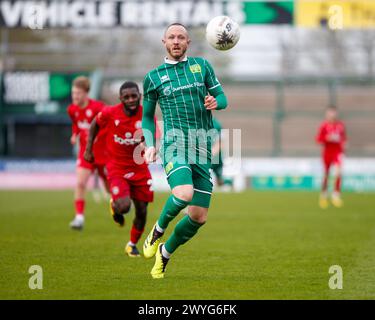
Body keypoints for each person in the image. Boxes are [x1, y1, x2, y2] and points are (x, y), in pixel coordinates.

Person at [142, 23, 228, 279]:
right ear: (164, 41)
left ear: (188, 42)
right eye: (171, 37)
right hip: (174, 144)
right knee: (183, 193)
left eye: (181, 37)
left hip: (202, 148)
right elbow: (147, 117)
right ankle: (157, 230)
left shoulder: (202, 67)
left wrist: (216, 102)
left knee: (198, 217)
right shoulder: (153, 77)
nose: (176, 41)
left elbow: (222, 98)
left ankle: (164, 254)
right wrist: (149, 144)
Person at [84, 81, 154, 257]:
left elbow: (150, 138)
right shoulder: (110, 112)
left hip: (139, 167)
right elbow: (94, 124)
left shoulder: (147, 114)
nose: (131, 100)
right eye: (126, 97)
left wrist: (150, 149)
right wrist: (88, 148)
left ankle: (132, 244)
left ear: (140, 96)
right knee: (124, 207)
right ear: (120, 99)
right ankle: (115, 206)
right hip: (116, 166)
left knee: (142, 210)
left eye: (134, 96)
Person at [67, 76, 109, 230]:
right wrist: (74, 134)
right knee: (80, 183)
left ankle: (120, 204)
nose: (75, 97)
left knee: (108, 185)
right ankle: (79, 218)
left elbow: (110, 121)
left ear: (86, 93)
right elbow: (76, 124)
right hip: (86, 154)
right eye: (73, 93)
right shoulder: (72, 109)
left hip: (104, 153)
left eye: (78, 93)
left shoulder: (99, 108)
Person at [316, 106, 347, 209]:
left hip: (337, 152)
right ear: (327, 114)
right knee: (326, 174)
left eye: (333, 113)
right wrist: (327, 138)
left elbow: (344, 138)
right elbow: (318, 139)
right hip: (327, 152)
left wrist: (344, 145)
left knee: (338, 172)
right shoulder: (324, 126)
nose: (332, 115)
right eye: (330, 113)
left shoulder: (340, 125)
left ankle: (336, 195)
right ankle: (323, 195)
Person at [211, 116, 233, 190]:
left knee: (220, 180)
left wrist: (212, 153)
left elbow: (220, 142)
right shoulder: (195, 120)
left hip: (216, 158)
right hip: (201, 157)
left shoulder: (216, 124)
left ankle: (229, 183)